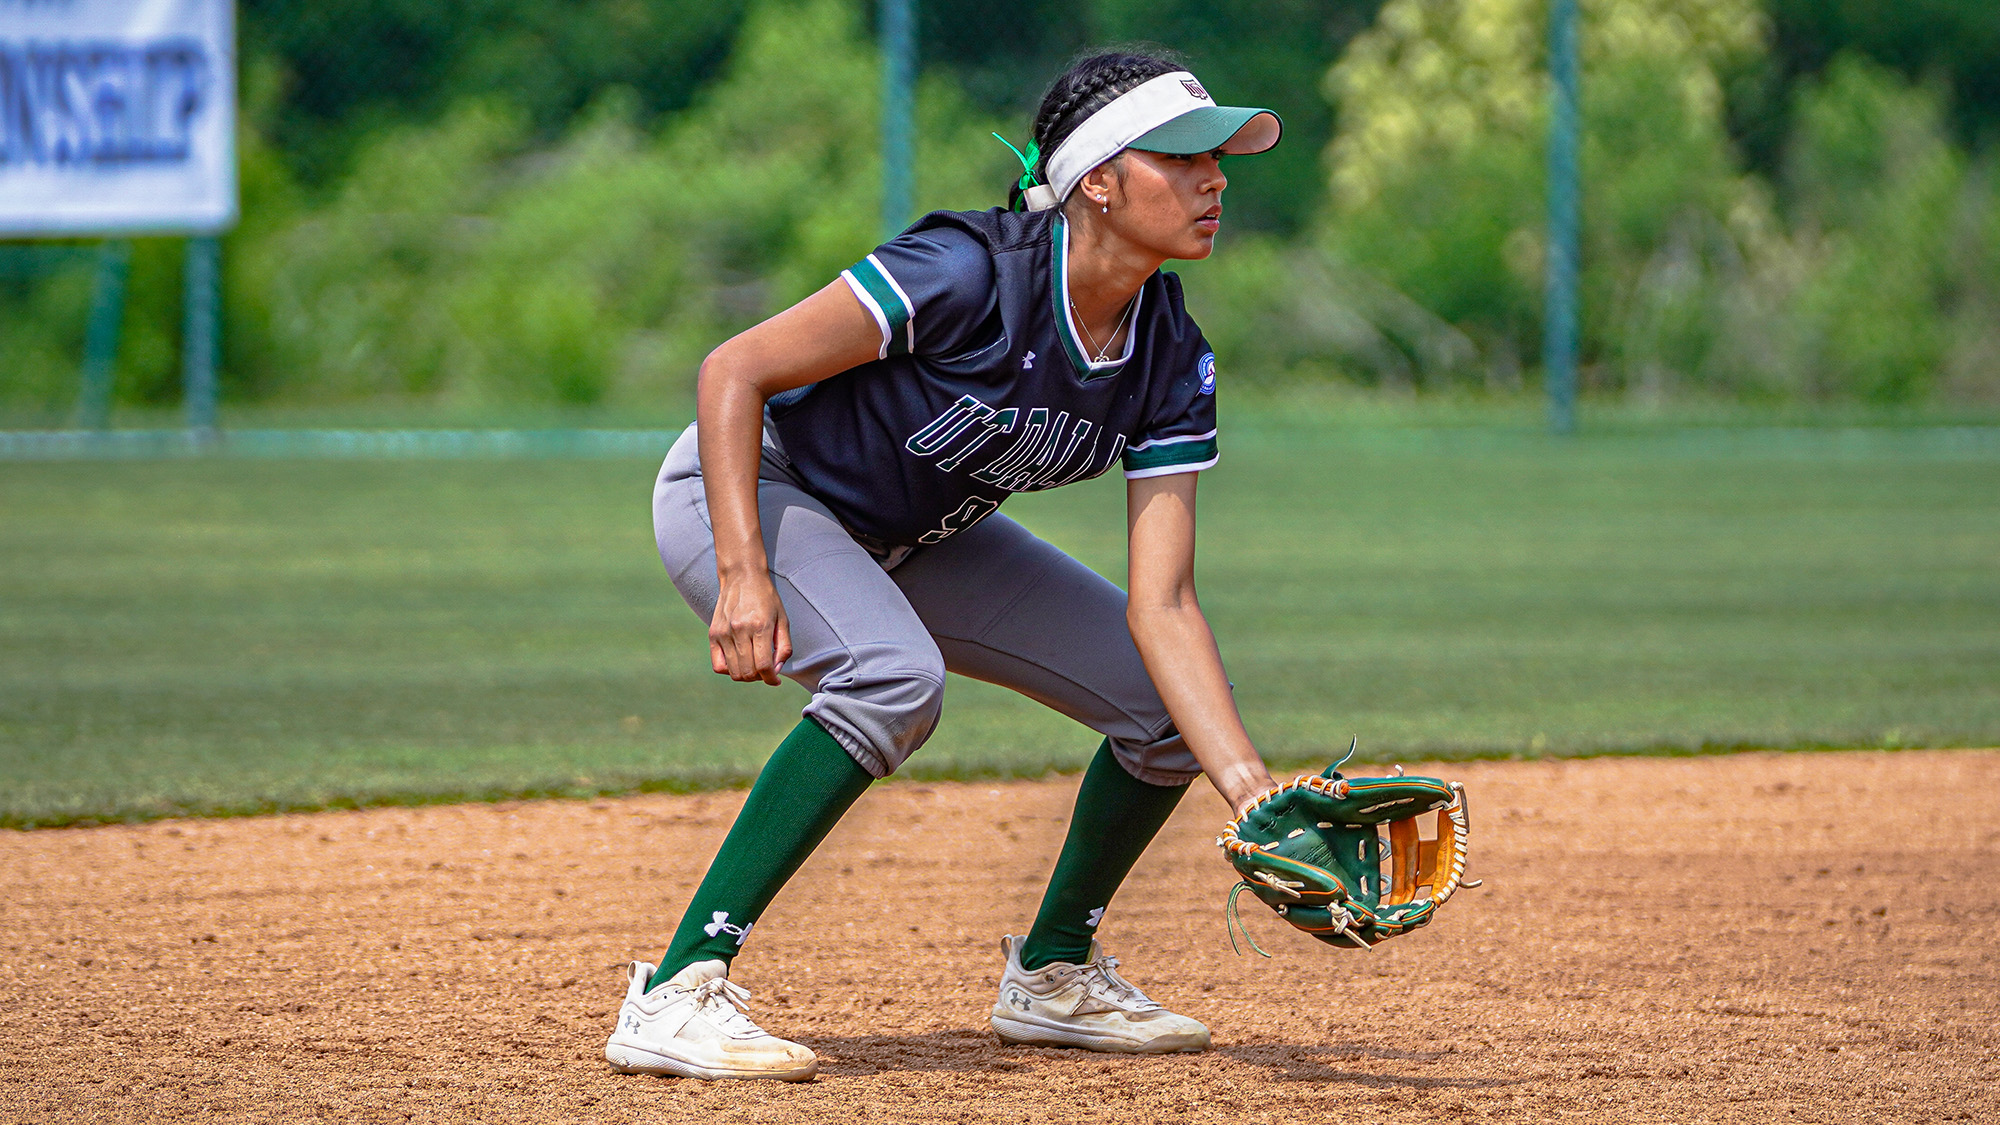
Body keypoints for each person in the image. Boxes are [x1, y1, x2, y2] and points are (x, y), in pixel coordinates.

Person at [606, 50, 1285, 1082]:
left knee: (1171, 707)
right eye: (1183, 156)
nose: (1214, 179)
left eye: (1217, 160)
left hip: (921, 534)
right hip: (750, 488)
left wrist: (1251, 793)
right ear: (1097, 179)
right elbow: (733, 370)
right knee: (891, 676)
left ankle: (1053, 975)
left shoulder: (1164, 351)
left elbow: (1166, 601)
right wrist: (744, 572)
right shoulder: (966, 272)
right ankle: (677, 990)